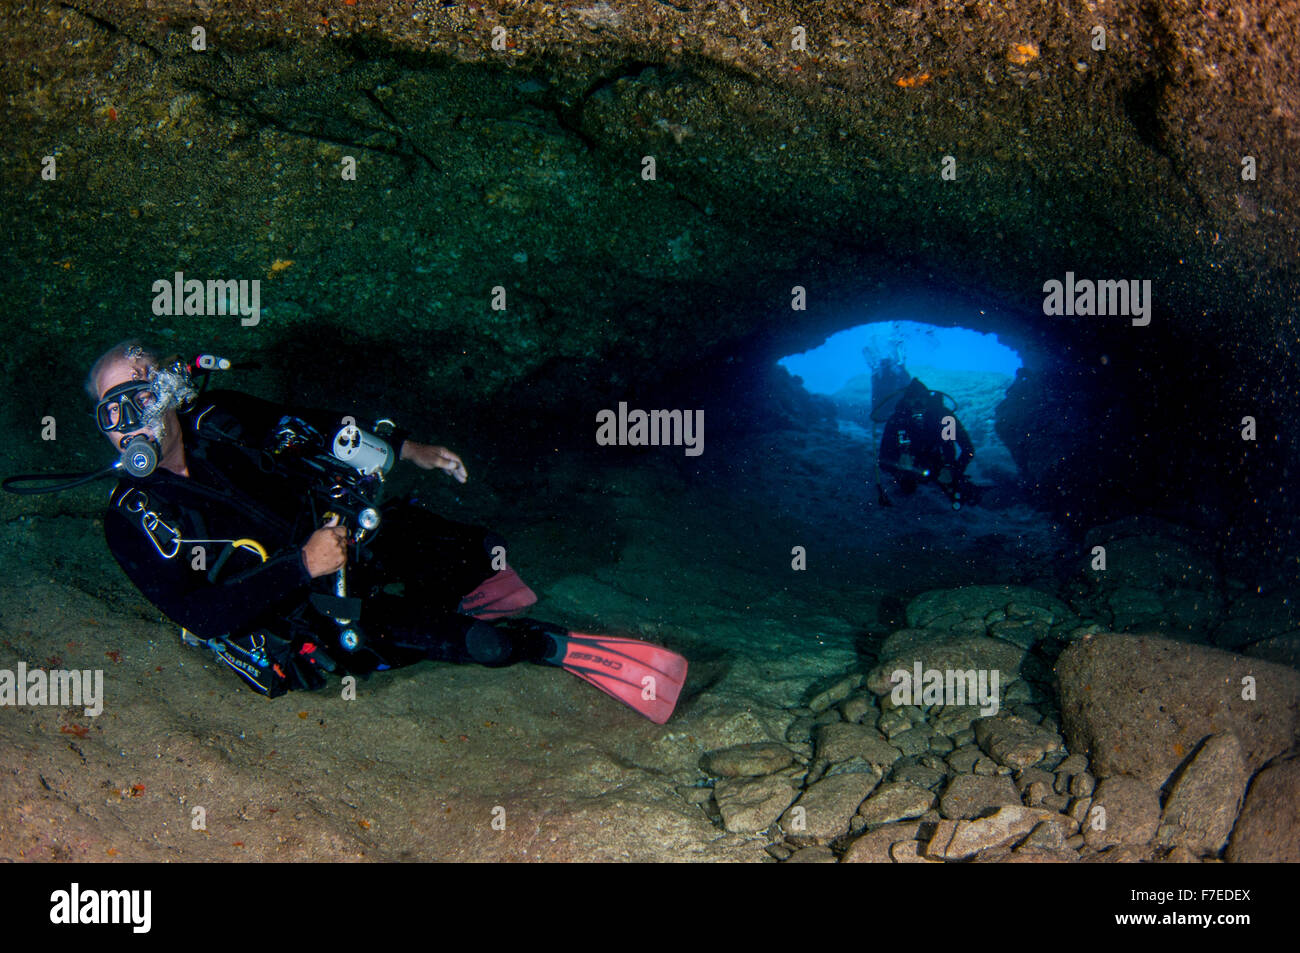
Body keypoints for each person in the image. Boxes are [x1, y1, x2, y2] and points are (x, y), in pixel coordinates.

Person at [85, 341, 687, 722]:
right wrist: (302, 567)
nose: (127, 422)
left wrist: (411, 448)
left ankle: (465, 590)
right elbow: (202, 616)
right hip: (312, 615)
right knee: (486, 645)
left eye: (138, 396)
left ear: (168, 394)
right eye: (110, 411)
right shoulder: (128, 520)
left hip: (346, 540)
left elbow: (317, 428)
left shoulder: (218, 419)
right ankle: (562, 650)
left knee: (471, 547)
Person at [877, 377, 978, 508]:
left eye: (922, 398)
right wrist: (897, 465)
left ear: (929, 399)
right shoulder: (897, 420)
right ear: (906, 402)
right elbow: (883, 459)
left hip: (938, 461)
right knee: (907, 487)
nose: (918, 403)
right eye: (912, 399)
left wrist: (954, 470)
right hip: (911, 464)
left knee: (958, 490)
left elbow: (968, 450)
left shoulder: (945, 418)